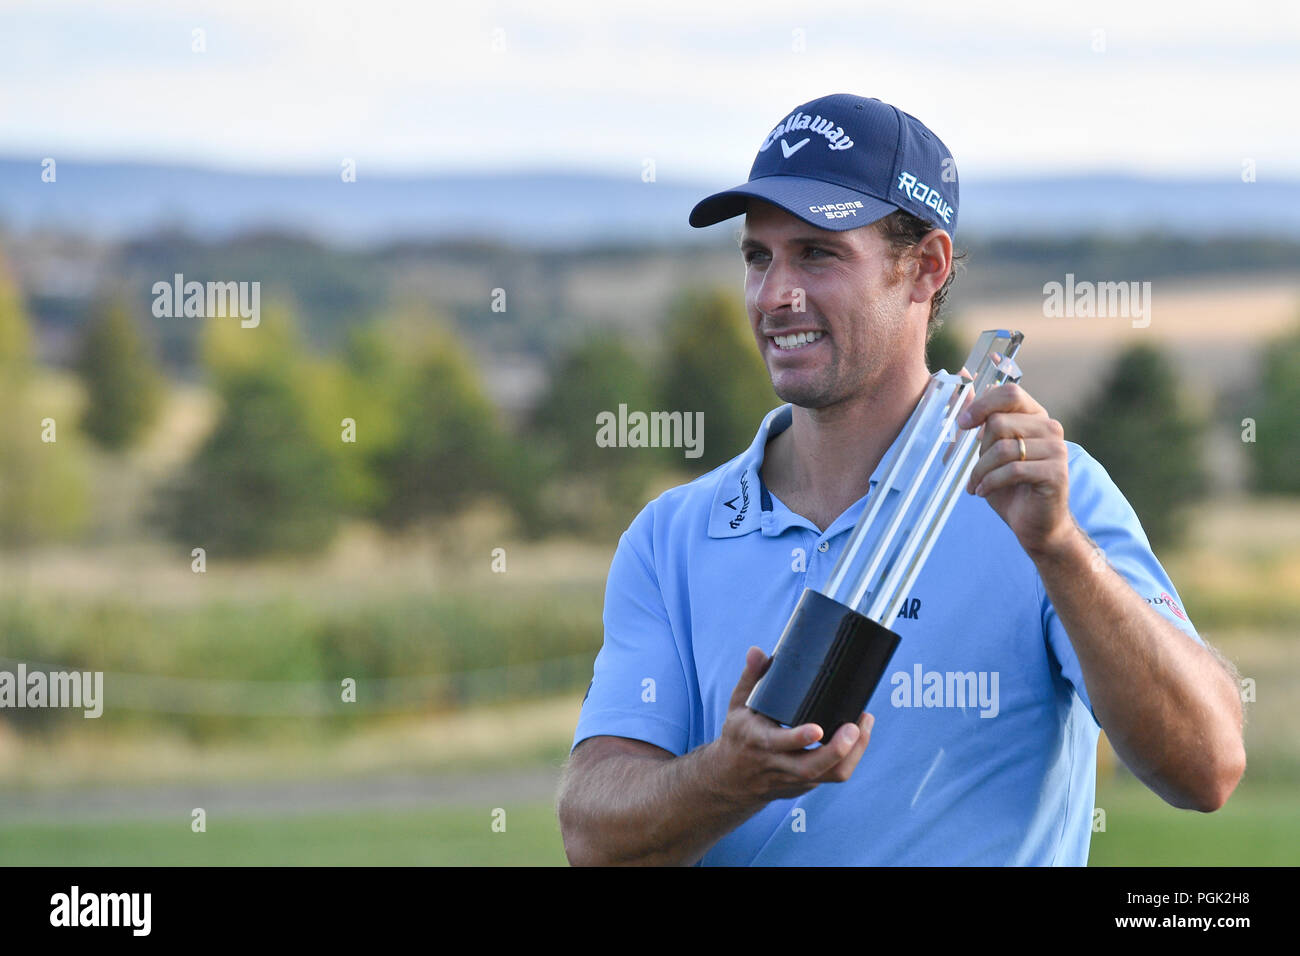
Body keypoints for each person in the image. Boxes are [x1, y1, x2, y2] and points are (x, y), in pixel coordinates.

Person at [555, 93, 1245, 866]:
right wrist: (732, 776)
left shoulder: (1046, 494)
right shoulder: (671, 536)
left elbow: (1205, 767)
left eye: (817, 253)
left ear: (925, 267)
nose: (776, 295)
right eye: (758, 256)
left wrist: (1060, 553)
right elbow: (592, 834)